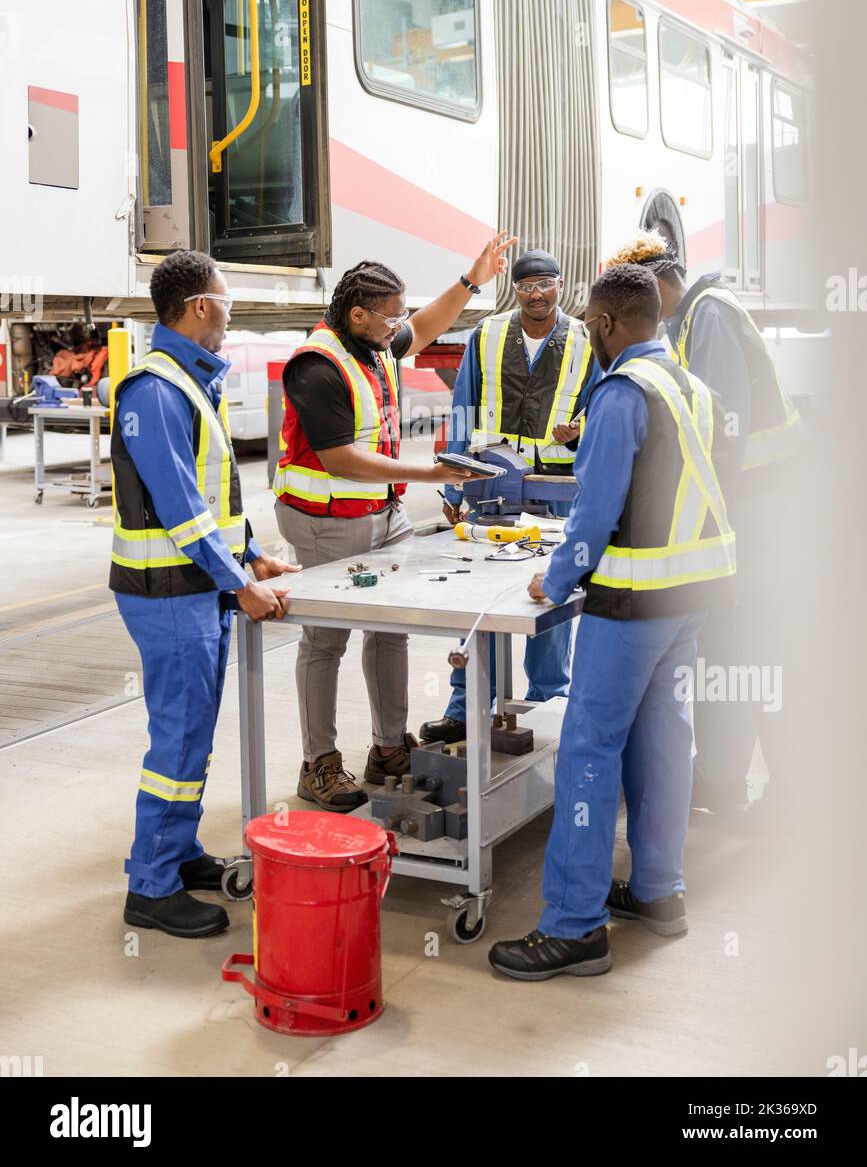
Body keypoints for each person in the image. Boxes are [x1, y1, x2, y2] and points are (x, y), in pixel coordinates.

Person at [488, 264, 737, 981]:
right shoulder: (687, 385)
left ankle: (573, 927)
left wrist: (554, 578)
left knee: (588, 753)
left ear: (601, 324)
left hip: (628, 603)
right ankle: (659, 894)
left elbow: (592, 514)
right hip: (689, 595)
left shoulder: (621, 391)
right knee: (663, 742)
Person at [272, 234, 514, 812]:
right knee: (326, 639)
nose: (398, 326)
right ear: (358, 316)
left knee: (390, 629)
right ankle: (319, 763)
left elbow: (424, 328)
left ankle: (387, 749)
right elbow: (340, 460)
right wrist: (435, 473)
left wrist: (472, 280)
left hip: (383, 514)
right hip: (326, 518)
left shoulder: (374, 342)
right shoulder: (317, 365)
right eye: (390, 317)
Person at [112, 252, 297, 939]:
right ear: (198, 308)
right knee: (178, 739)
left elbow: (213, 498)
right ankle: (149, 887)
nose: (230, 315)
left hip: (194, 590)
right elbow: (181, 510)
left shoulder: (188, 384)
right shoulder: (156, 390)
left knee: (192, 736)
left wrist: (250, 557)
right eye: (226, 303)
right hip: (167, 594)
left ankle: (176, 851)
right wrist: (239, 584)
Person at [605, 230, 805, 819]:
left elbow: (722, 430)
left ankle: (780, 793)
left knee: (754, 651)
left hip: (761, 511)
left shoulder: (709, 314)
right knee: (734, 651)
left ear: (664, 284)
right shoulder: (692, 317)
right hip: (749, 509)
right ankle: (722, 780)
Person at [421, 249, 598, 746]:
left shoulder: (585, 340)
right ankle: (466, 707)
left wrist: (576, 433)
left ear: (561, 285)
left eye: (545, 284)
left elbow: (599, 407)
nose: (536, 294)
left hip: (557, 488)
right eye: (526, 286)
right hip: (493, 485)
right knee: (481, 596)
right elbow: (463, 408)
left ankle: (545, 707)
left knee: (550, 596)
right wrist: (456, 482)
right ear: (514, 290)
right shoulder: (488, 334)